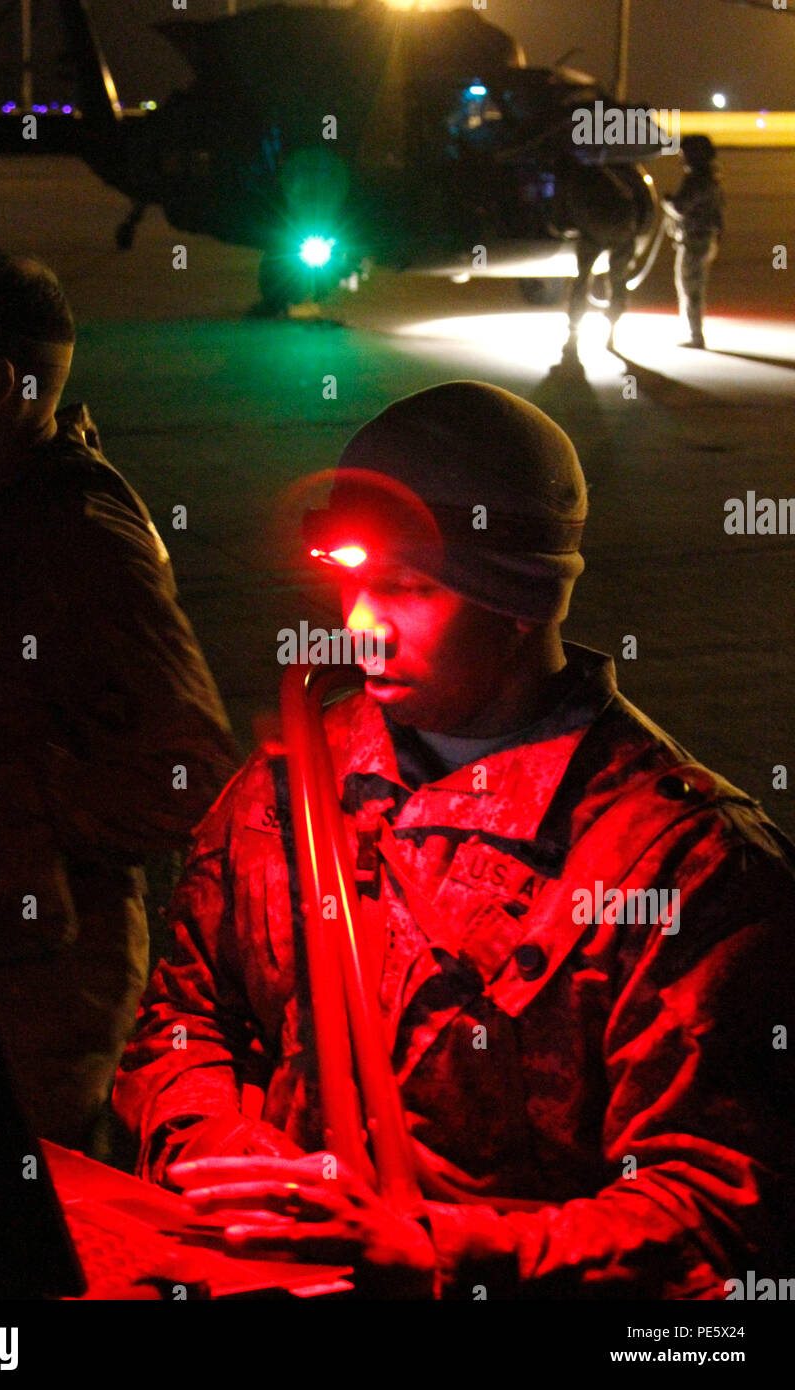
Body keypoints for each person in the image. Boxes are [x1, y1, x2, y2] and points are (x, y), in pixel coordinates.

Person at [113, 381, 795, 1298]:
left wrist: (437, 1251)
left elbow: (714, 1208)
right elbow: (184, 1021)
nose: (359, 625)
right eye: (352, 582)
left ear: (520, 607)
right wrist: (234, 1164)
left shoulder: (683, 868)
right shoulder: (287, 788)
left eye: (408, 588)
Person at [0, 242, 239, 1151]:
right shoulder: (0, 508)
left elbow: (189, 778)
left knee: (26, 1242)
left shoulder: (78, 536)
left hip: (31, 999)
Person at [662, 133, 724, 349]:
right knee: (692, 285)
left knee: (690, 287)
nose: (682, 158)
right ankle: (693, 333)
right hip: (704, 239)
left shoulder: (697, 180)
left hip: (695, 240)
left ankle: (695, 335)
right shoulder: (711, 179)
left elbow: (680, 207)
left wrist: (667, 202)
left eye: (685, 154)